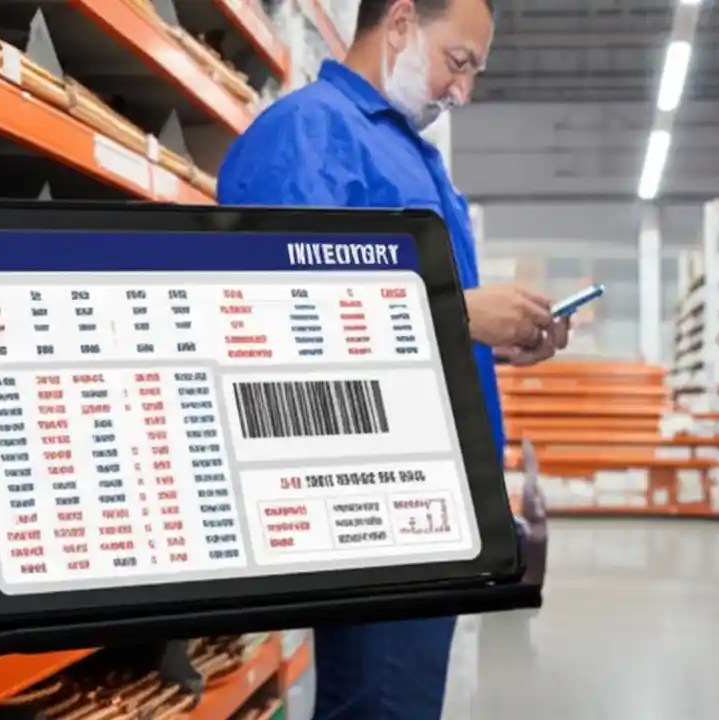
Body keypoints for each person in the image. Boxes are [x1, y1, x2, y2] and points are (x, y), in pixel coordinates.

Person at [217, 1, 569, 718]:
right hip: (372, 506)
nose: (461, 91)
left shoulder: (407, 151)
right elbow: (277, 317)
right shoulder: (309, 133)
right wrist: (462, 314)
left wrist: (489, 340)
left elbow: (405, 322)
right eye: (458, 63)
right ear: (402, 23)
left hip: (431, 504)